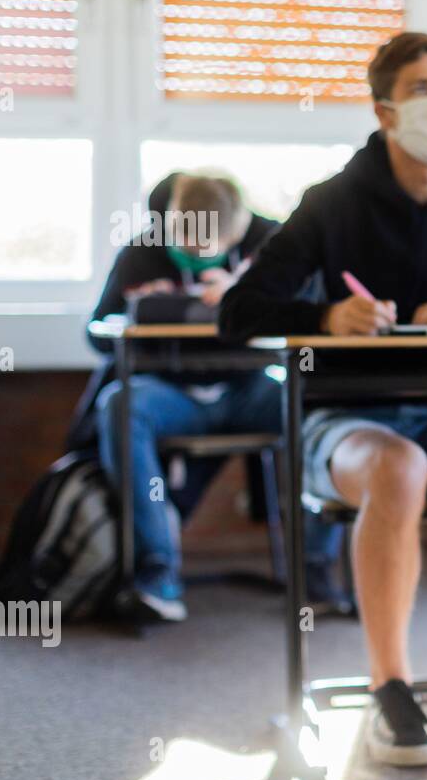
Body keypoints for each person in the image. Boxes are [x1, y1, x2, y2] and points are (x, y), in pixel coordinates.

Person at [220, 32, 427, 764]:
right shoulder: (331, 204)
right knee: (399, 469)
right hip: (343, 423)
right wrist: (323, 317)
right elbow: (239, 313)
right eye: (425, 89)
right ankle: (388, 689)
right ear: (386, 111)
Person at [92, 174, 343, 623]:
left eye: (204, 244)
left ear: (237, 228)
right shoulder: (141, 253)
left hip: (249, 387)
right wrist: (151, 313)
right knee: (119, 404)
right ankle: (158, 571)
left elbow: (315, 313)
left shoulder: (273, 244)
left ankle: (315, 571)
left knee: (314, 403)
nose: (192, 251)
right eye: (183, 242)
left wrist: (244, 298)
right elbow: (96, 333)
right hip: (171, 391)